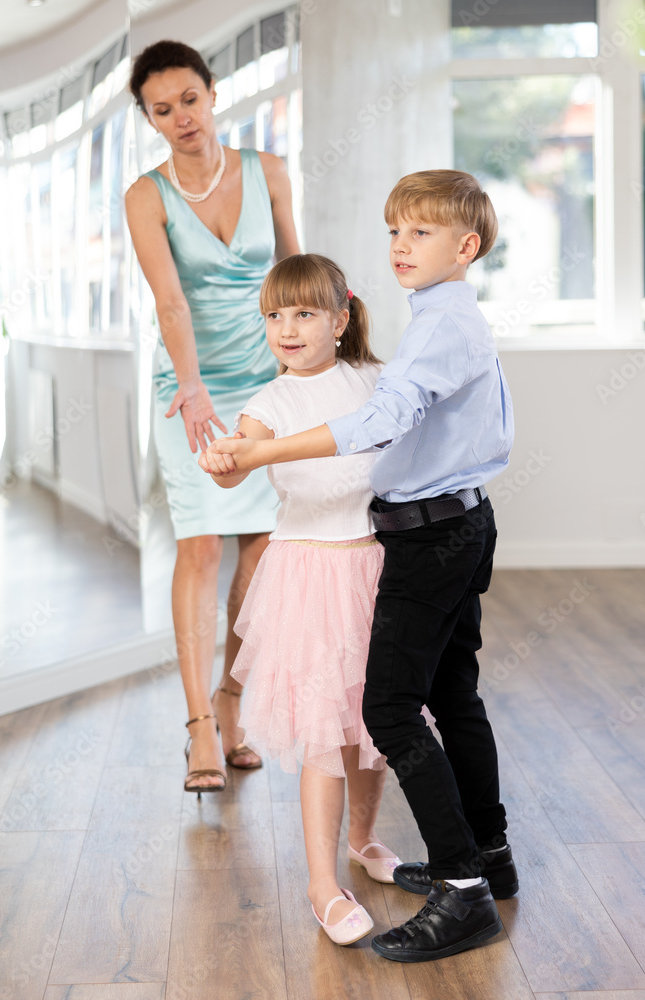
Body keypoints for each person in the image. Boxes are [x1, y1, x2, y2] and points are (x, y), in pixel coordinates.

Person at [201, 170, 518, 962]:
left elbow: (379, 422)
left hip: (423, 539)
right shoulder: (436, 322)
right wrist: (249, 452)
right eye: (394, 231)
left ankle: (463, 886)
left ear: (466, 246)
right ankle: (488, 859)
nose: (400, 246)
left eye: (419, 232)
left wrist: (265, 450)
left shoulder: (433, 333)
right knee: (446, 696)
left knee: (386, 711)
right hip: (430, 531)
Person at [203, 253, 403, 946]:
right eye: (273, 315)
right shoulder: (270, 403)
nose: (286, 327)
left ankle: (365, 838)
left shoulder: (376, 380)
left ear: (341, 320)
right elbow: (239, 461)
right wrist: (223, 459)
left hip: (376, 567)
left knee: (373, 720)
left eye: (304, 313)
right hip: (310, 576)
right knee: (323, 727)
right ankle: (324, 883)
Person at [125, 41, 301, 794]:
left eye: (189, 100)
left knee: (261, 548)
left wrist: (327, 356)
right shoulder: (145, 195)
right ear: (149, 116)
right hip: (188, 389)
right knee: (199, 549)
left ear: (213, 93)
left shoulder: (267, 170)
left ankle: (234, 704)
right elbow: (170, 300)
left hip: (266, 384)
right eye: (162, 109)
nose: (180, 118)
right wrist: (193, 387)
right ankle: (199, 724)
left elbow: (297, 272)